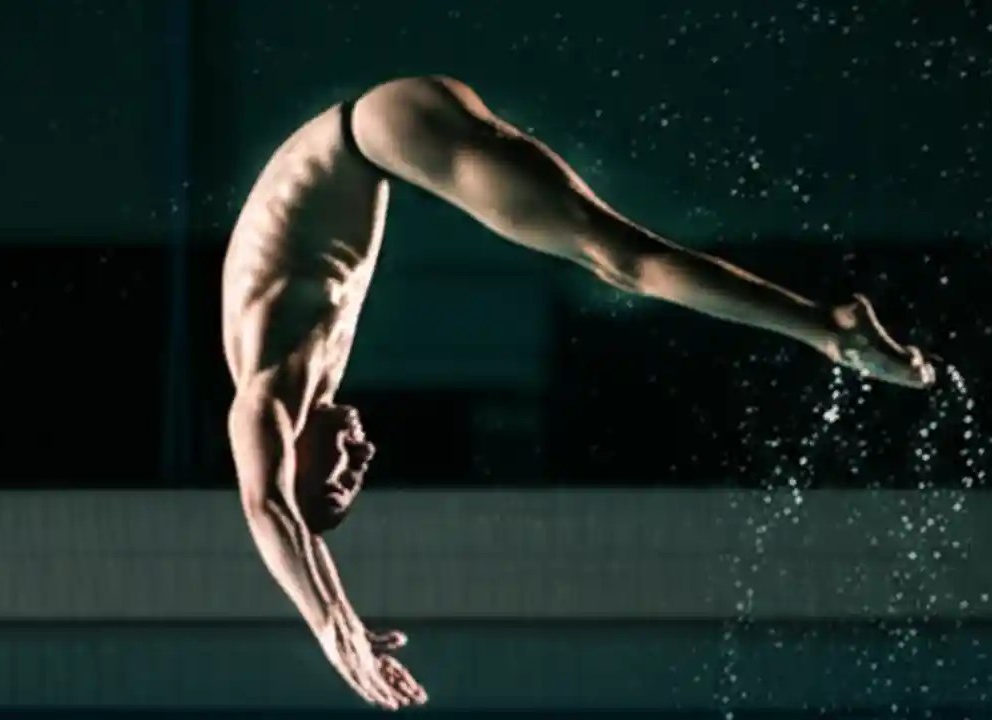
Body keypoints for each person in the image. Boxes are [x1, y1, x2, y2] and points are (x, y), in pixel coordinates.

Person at [221, 75, 935, 710]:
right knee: (617, 257)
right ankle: (825, 329)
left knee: (621, 261)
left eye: (340, 479)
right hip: (380, 135)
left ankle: (829, 329)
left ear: (290, 457)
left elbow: (268, 506)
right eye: (358, 478)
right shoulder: (305, 376)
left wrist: (332, 625)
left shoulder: (266, 384)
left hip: (378, 132)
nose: (362, 457)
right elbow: (285, 506)